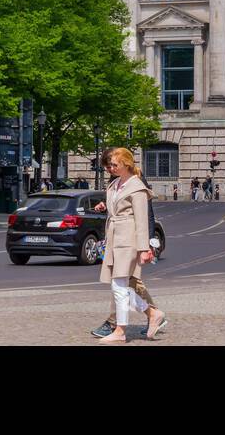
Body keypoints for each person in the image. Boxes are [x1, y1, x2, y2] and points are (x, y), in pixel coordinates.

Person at [93, 147, 166, 344]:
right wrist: (106, 206)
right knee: (122, 286)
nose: (111, 168)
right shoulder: (115, 184)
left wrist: (145, 248)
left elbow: (142, 220)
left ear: (126, 164)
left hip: (128, 240)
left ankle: (120, 330)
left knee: (119, 285)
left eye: (114, 165)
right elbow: (117, 205)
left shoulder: (137, 187)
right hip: (115, 238)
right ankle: (152, 313)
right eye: (110, 166)